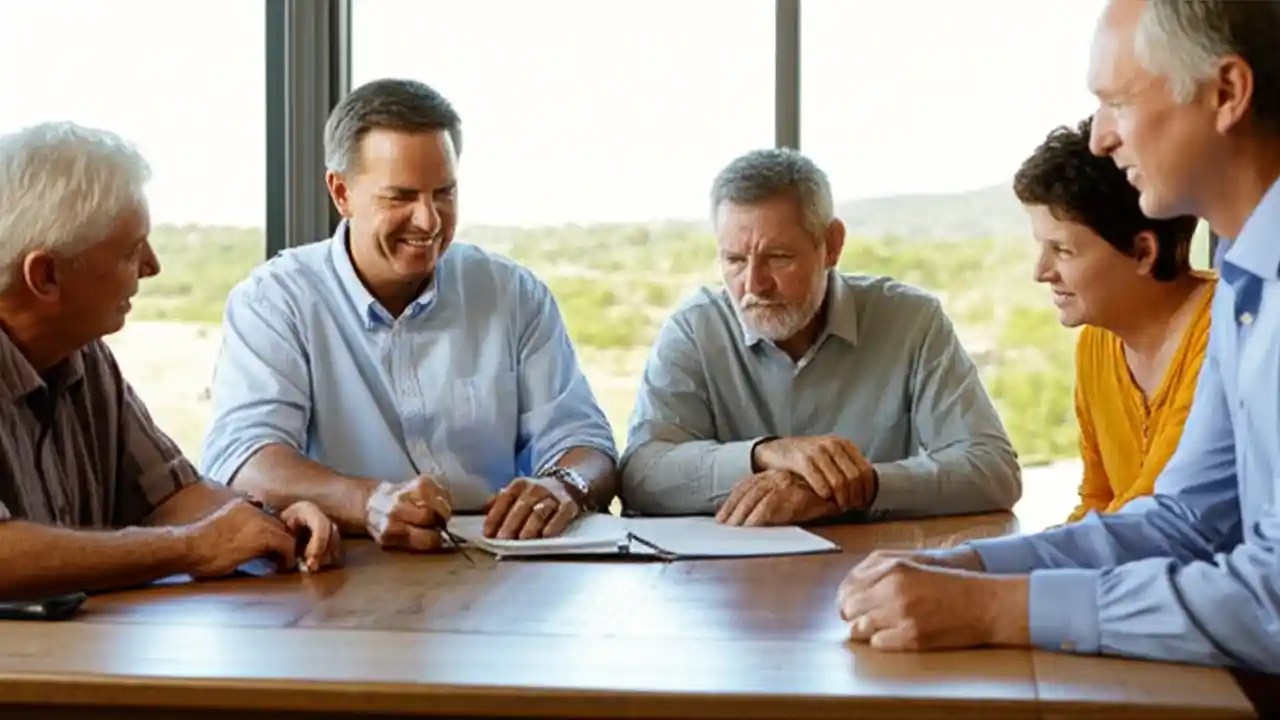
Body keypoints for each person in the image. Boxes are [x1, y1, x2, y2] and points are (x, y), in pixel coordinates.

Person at [836, 0, 1280, 672]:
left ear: (1226, 94)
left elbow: (1271, 601)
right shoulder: (1249, 282)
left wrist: (993, 609)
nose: (1101, 137)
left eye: (1118, 101)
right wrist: (964, 566)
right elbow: (1184, 525)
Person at [200, 78, 617, 550]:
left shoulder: (512, 293)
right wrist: (366, 501)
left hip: (502, 564)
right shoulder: (275, 300)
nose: (430, 220)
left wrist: (564, 485)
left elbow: (587, 445)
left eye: (444, 193)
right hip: (342, 568)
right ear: (341, 193)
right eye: (400, 197)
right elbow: (244, 459)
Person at [0, 122, 341, 600]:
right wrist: (189, 548)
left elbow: (175, 495)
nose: (152, 266)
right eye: (130, 250)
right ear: (46, 276)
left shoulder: (85, 357)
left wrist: (266, 521)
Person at [619, 147, 1020, 525]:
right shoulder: (694, 329)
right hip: (723, 585)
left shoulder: (911, 321)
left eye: (778, 257)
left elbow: (993, 469)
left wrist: (849, 490)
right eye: (735, 260)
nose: (754, 285)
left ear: (831, 245)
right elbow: (641, 475)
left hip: (867, 577)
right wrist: (766, 454)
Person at [1015, 117, 1214, 524]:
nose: (1041, 271)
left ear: (1143, 252)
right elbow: (1097, 500)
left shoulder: (1222, 331)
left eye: (1063, 250)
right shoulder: (1097, 341)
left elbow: (1154, 511)